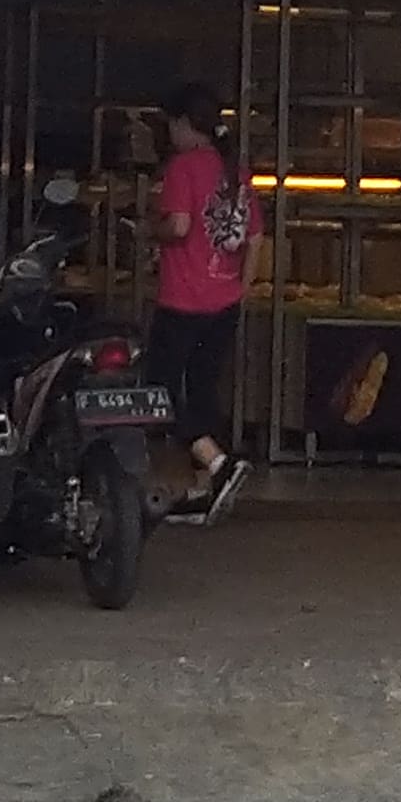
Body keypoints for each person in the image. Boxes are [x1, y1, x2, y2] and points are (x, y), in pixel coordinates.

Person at [145, 83, 252, 524]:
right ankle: (205, 491)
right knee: (205, 389)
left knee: (160, 388)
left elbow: (181, 225)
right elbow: (256, 236)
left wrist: (148, 231)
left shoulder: (183, 167)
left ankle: (217, 463)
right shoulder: (235, 171)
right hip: (225, 298)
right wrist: (241, 285)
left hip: (183, 298)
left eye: (171, 124)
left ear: (186, 125)